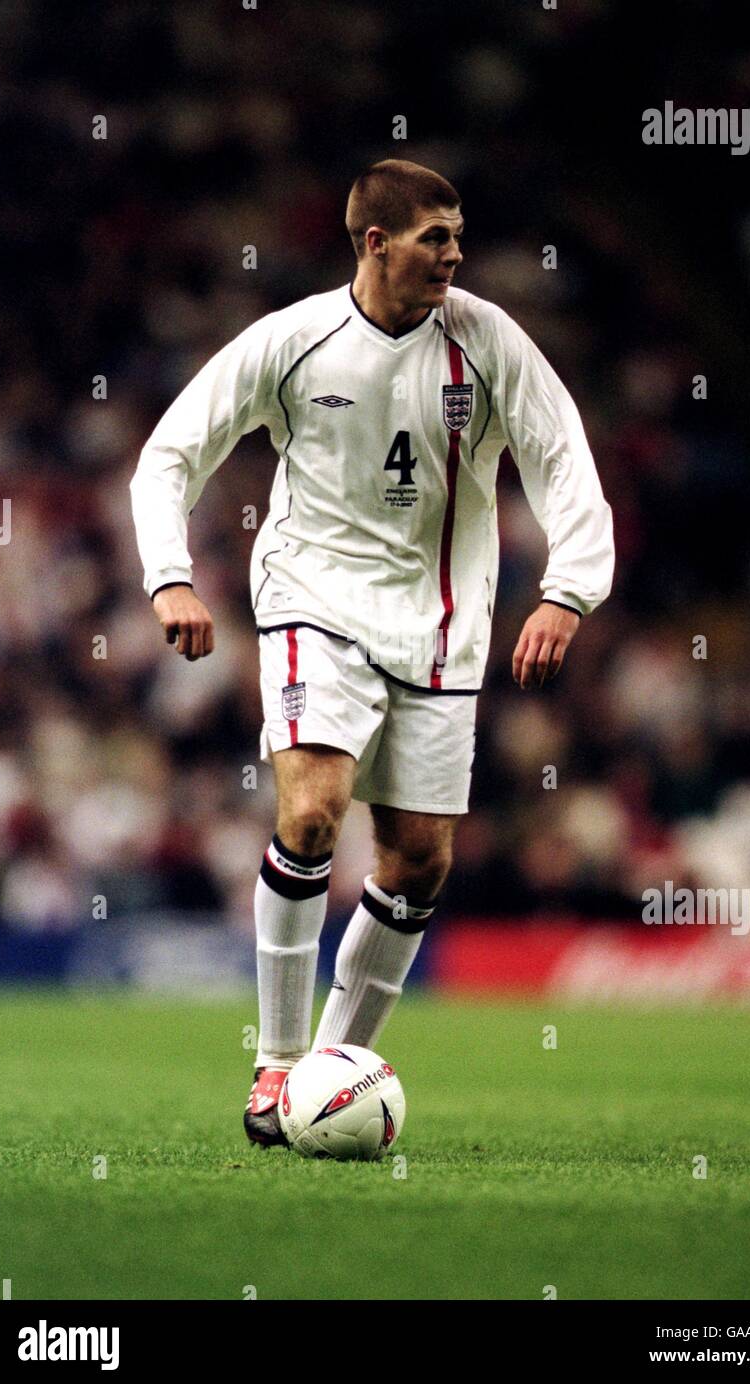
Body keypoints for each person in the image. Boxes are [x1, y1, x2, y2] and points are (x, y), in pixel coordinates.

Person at [129, 158, 615, 1148]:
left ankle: (329, 1072)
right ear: (373, 242)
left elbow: (563, 455)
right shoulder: (293, 341)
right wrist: (168, 574)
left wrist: (567, 590)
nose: (453, 254)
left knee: (418, 862)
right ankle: (274, 1068)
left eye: (457, 235)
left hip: (439, 627)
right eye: (433, 237)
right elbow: (173, 449)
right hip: (313, 599)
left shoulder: (486, 342)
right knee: (310, 813)